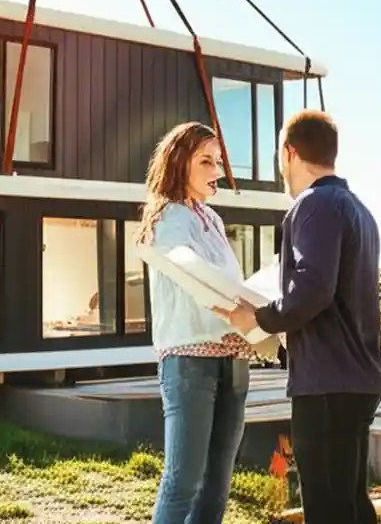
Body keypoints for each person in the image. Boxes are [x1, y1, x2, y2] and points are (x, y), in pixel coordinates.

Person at [213, 109, 381, 524]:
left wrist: (258, 319)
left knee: (328, 509)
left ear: (288, 153)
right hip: (358, 378)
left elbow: (313, 289)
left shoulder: (313, 205)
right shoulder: (358, 210)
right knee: (350, 505)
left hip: (326, 382)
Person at [136, 121, 258, 524]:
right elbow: (196, 283)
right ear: (178, 162)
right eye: (206, 161)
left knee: (217, 484)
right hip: (190, 361)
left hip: (234, 358)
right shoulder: (167, 218)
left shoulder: (213, 219)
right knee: (183, 481)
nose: (216, 170)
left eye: (218, 161)